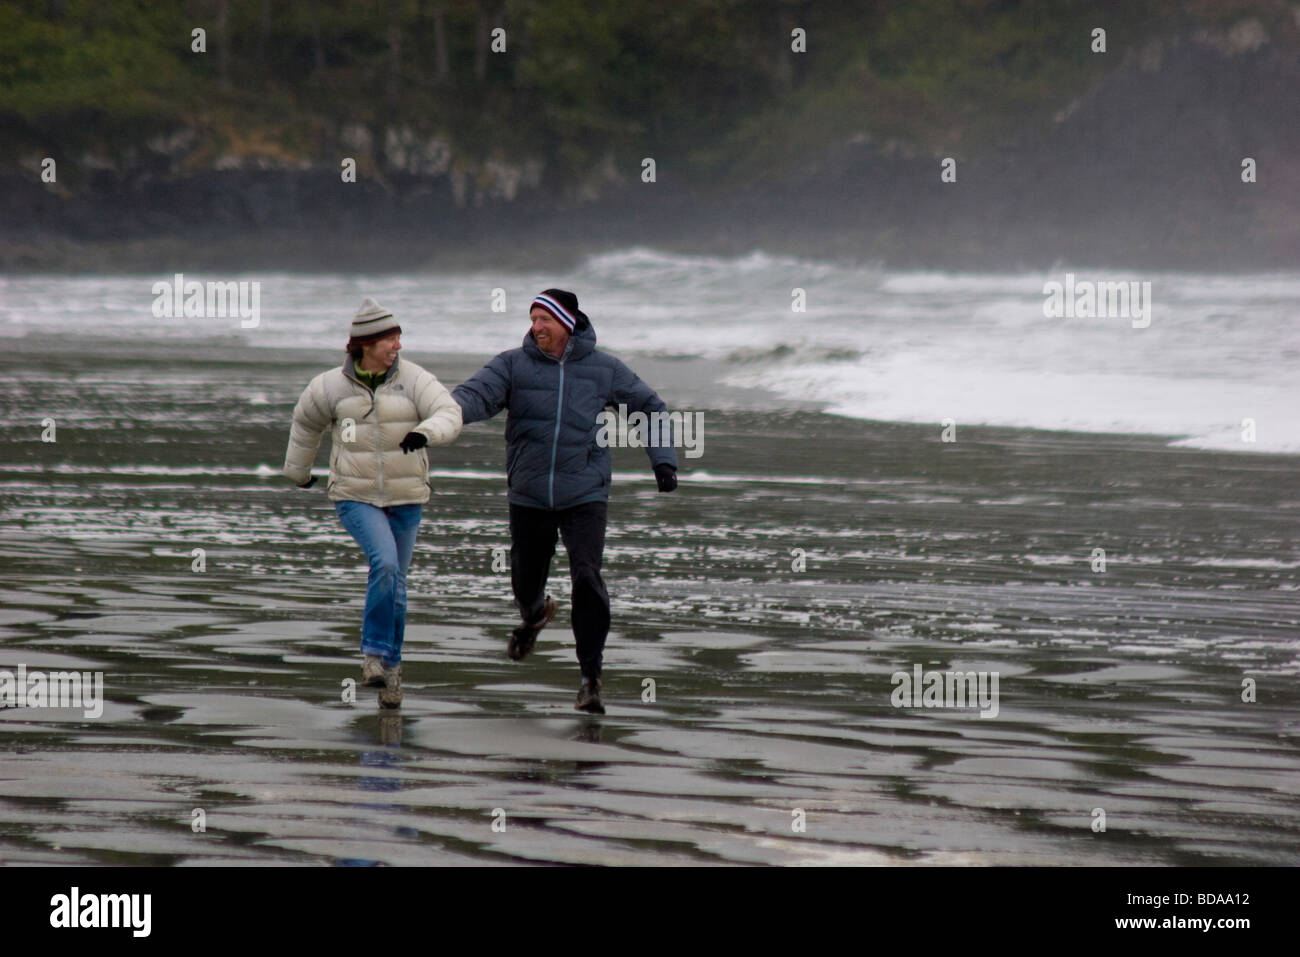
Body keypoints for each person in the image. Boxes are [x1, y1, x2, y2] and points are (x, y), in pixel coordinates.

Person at [452, 288, 677, 714]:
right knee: (525, 579)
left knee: (588, 578)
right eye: (533, 319)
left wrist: (663, 461)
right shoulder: (511, 365)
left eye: (545, 320)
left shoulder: (604, 368)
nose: (537, 327)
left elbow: (649, 408)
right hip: (530, 492)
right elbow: (474, 396)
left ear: (567, 323)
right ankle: (535, 614)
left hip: (585, 491)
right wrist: (443, 415)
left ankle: (590, 678)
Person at [283, 298, 462, 709]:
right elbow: (305, 423)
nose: (397, 345)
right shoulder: (329, 386)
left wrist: (427, 432)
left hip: (407, 495)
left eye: (399, 337)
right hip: (354, 494)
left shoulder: (414, 379)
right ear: (364, 343)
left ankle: (392, 671)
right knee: (384, 563)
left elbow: (448, 411)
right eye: (389, 338)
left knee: (396, 584)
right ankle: (372, 655)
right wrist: (299, 472)